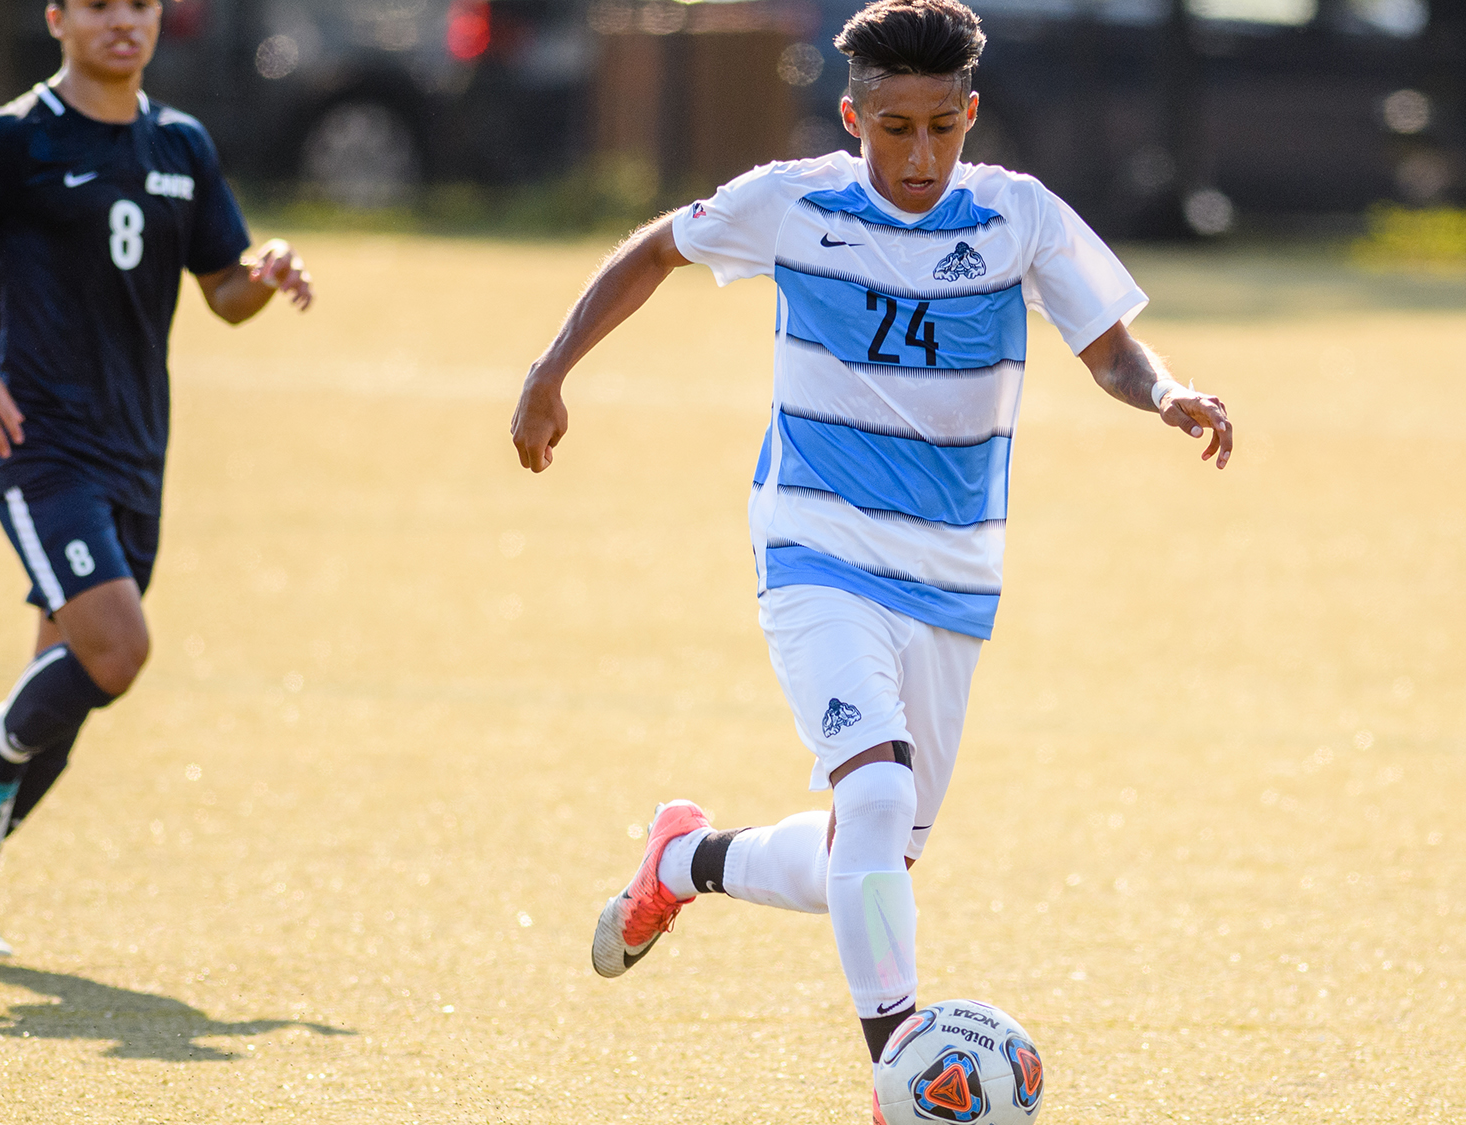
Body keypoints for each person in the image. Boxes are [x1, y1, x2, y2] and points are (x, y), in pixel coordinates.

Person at [509, 0, 1231, 1101]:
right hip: (816, 546)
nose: (920, 155)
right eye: (895, 128)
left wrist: (1167, 393)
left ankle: (683, 860)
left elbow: (1110, 349)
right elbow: (657, 249)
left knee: (875, 849)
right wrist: (550, 370)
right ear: (853, 118)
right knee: (879, 800)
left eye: (941, 127)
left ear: (970, 115)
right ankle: (904, 1073)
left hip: (952, 579)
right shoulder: (792, 203)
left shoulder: (1018, 218)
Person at [0, 0, 313, 958]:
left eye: (141, 5)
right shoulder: (11, 140)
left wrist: (264, 272)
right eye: (101, 5)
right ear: (58, 19)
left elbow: (223, 291)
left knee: (67, 697)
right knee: (116, 649)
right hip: (36, 443)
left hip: (137, 449)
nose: (125, 21)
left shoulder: (181, 143)